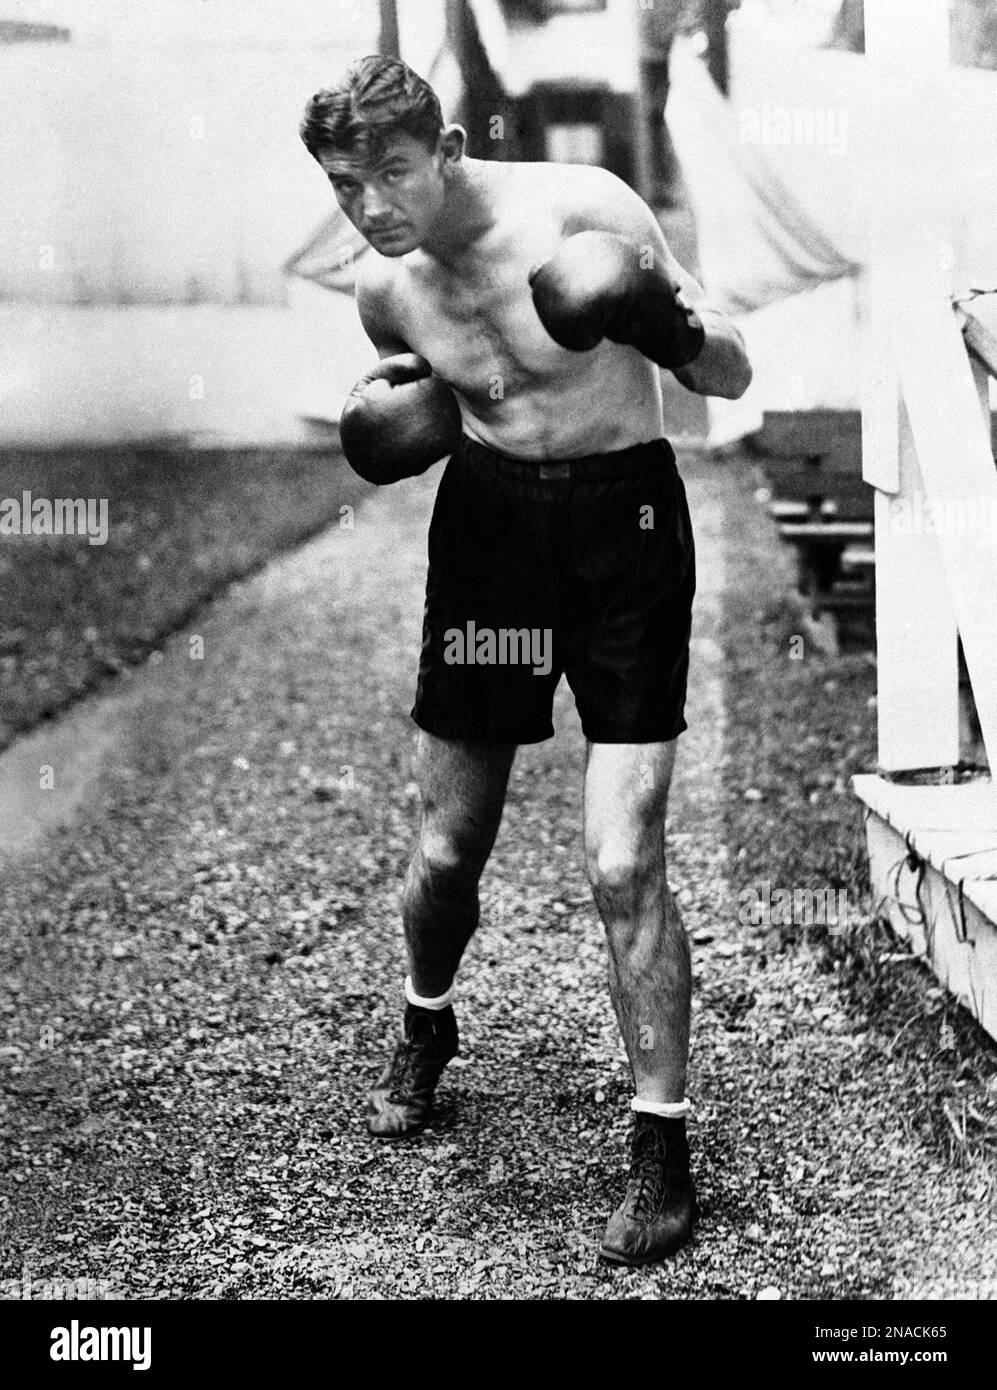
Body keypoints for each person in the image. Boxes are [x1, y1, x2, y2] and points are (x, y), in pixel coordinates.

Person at [300, 54, 751, 1267]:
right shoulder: (386, 295)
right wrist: (395, 424)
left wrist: (657, 313)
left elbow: (732, 370)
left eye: (392, 172)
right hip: (491, 531)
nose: (374, 204)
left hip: (627, 529)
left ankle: (660, 1148)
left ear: (446, 150)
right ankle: (426, 1019)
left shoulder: (584, 209)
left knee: (621, 855)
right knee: (446, 850)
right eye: (348, 185)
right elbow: (422, 408)